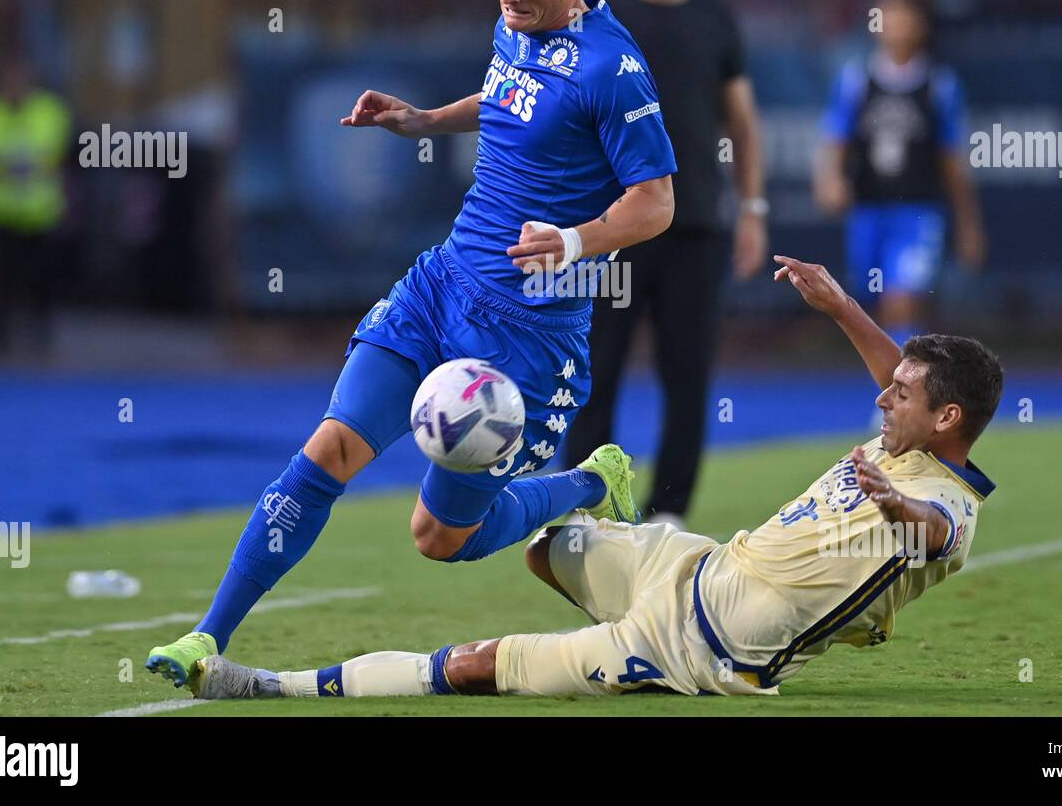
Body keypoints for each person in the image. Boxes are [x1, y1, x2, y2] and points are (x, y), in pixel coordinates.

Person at [147, 0, 678, 687]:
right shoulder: (518, 26)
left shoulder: (615, 70)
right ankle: (205, 638)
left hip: (527, 343)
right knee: (326, 451)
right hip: (440, 288)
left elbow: (656, 204)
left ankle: (586, 482)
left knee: (437, 537)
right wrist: (425, 120)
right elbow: (511, 97)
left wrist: (575, 240)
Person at [184, 256, 1003, 701]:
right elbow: (896, 370)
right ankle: (590, 484)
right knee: (549, 551)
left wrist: (898, 504)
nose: (882, 394)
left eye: (902, 394)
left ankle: (266, 685)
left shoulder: (943, 503)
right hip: (700, 564)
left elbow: (938, 536)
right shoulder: (911, 438)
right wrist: (836, 307)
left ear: (947, 422)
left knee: (472, 666)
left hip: (705, 647)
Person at [562, 0, 767, 527]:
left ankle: (667, 517)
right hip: (611, 227)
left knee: (688, 380)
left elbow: (743, 121)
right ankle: (586, 511)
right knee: (594, 377)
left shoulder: (714, 19)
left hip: (696, 226)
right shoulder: (597, 15)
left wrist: (753, 210)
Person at [814, 0, 986, 347]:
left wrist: (969, 222)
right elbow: (835, 139)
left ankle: (904, 389)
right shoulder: (857, 81)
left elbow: (952, 159)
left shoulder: (938, 85)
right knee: (873, 302)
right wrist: (830, 180)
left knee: (903, 299)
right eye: (887, 19)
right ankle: (893, 380)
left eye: (904, 19)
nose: (896, 28)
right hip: (868, 209)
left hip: (918, 211)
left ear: (920, 27)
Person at [0, 54, 73, 354]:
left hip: (41, 211)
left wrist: (12, 165)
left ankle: (41, 334)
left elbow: (53, 157)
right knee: (0, 276)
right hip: (1, 211)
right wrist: (19, 165)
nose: (15, 85)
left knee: (41, 276)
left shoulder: (49, 111)